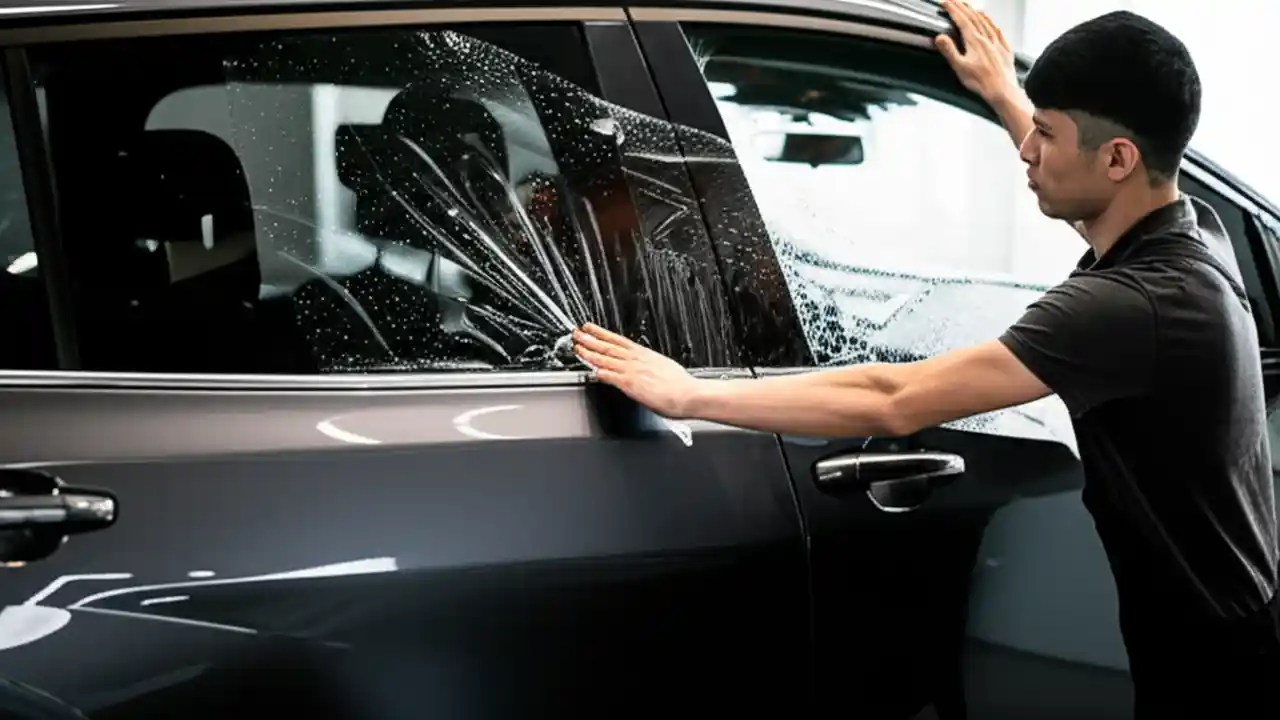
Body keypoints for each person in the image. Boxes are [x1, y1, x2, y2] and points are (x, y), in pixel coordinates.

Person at [573, 1, 1280, 716]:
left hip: (1210, 664)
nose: (1029, 152)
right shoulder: (1186, 235)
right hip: (1229, 623)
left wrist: (691, 395)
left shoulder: (1131, 305)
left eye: (1047, 135)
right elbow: (1087, 197)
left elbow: (894, 398)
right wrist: (1007, 94)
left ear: (1119, 158)